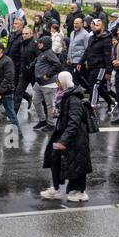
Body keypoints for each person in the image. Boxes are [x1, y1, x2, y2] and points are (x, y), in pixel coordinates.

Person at [41, 71, 92, 203]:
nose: (57, 84)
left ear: (64, 82)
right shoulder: (65, 95)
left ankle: (80, 193)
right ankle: (56, 188)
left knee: (77, 164)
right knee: (54, 156)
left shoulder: (73, 98)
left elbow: (74, 122)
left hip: (75, 137)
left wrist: (64, 140)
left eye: (58, 81)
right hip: (64, 134)